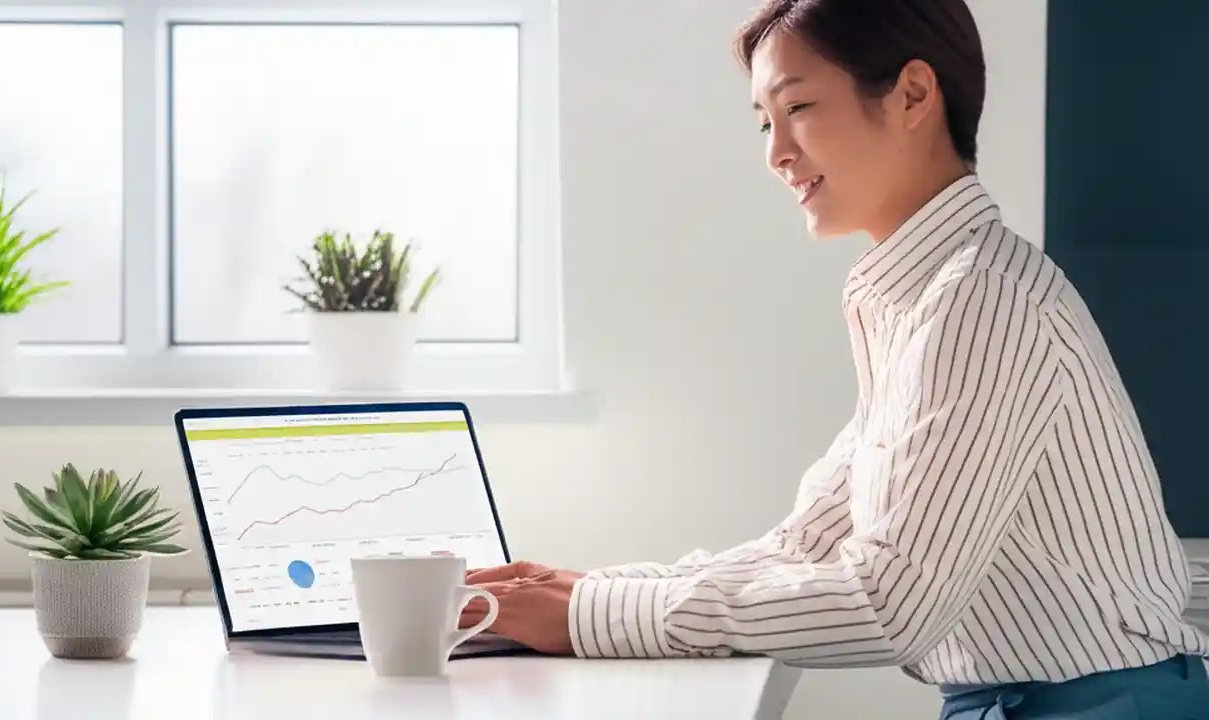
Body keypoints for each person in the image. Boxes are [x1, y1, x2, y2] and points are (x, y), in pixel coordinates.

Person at [462, 0, 1209, 716]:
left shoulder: (981, 299)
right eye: (764, 121)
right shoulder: (914, 302)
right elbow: (806, 546)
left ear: (913, 93)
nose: (777, 154)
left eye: (798, 108)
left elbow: (887, 604)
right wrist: (581, 589)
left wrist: (591, 614)